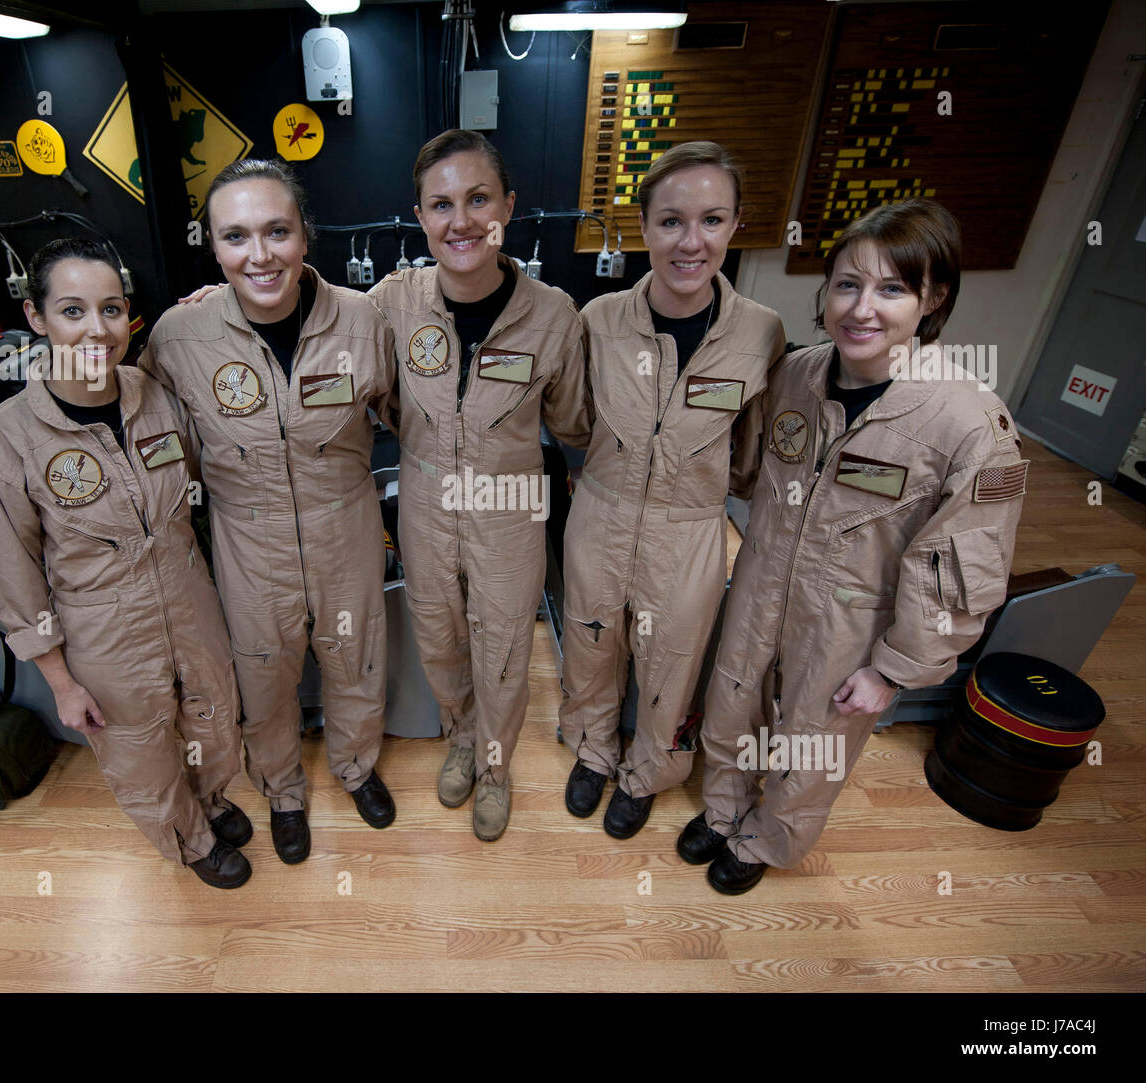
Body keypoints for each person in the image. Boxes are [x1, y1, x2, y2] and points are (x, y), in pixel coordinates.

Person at [682, 198, 1028, 894]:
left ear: (933, 298)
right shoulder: (798, 377)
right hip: (759, 585)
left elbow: (966, 568)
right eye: (847, 283)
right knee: (731, 702)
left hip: (853, 620)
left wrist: (895, 669)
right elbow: (748, 464)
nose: (862, 308)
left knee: (812, 744)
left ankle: (765, 837)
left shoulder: (970, 424)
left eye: (891, 288)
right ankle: (723, 809)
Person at [0, 238, 250, 889]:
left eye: (112, 308)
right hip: (103, 627)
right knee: (141, 751)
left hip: (188, 593)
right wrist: (60, 679)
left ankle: (213, 802)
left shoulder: (155, 394)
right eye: (73, 310)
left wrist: (216, 306)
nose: (97, 328)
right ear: (37, 317)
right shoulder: (5, 441)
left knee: (214, 716)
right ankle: (189, 839)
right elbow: (6, 570)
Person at [140, 159, 397, 866]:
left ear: (305, 235)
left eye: (277, 231)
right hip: (247, 538)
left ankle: (355, 765)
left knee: (356, 657)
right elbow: (160, 439)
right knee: (263, 673)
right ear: (215, 248)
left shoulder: (361, 318)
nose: (260, 255)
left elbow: (404, 407)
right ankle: (283, 789)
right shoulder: (178, 338)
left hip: (343, 522)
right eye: (236, 237)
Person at [367, 129, 591, 841]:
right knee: (438, 638)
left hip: (508, 503)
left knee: (502, 649)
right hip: (426, 500)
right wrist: (219, 300)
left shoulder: (554, 315)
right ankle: (462, 737)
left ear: (508, 206)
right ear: (421, 216)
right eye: (441, 204)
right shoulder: (391, 302)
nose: (460, 220)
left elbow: (574, 421)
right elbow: (311, 321)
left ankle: (495, 767)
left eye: (477, 199)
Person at [557, 141, 785, 838]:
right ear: (643, 228)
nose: (692, 242)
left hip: (689, 528)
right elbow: (571, 417)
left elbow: (752, 448)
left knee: (671, 658)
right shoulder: (596, 321)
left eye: (711, 220)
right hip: (599, 511)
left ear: (735, 225)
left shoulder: (760, 332)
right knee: (592, 644)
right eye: (672, 222)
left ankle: (650, 768)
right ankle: (594, 749)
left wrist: (703, 486)